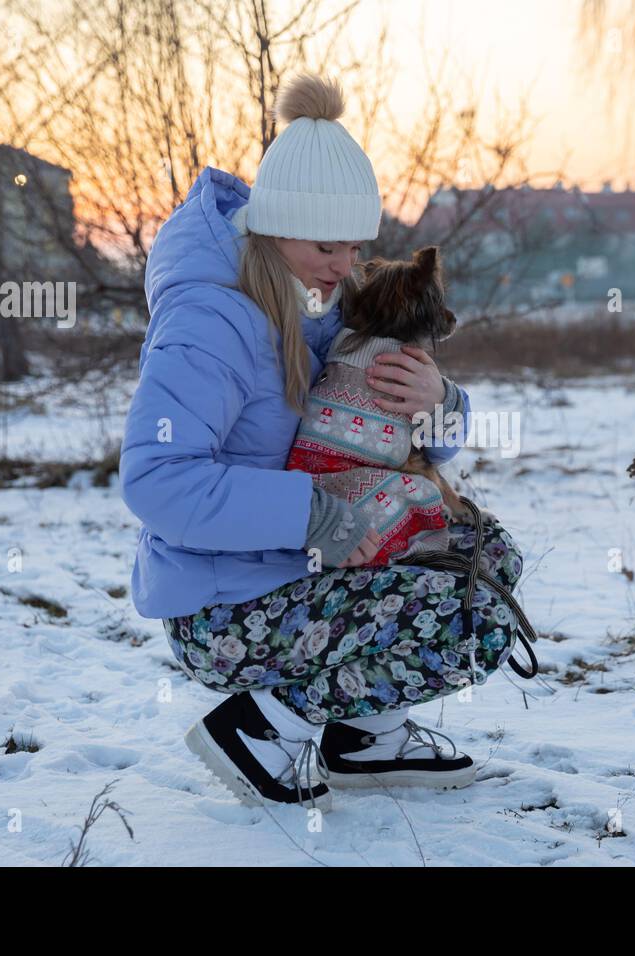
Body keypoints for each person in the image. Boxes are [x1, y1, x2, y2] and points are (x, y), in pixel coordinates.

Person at [118, 72, 526, 813]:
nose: (345, 266)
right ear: (274, 228)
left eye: (356, 246)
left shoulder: (321, 304)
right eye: (327, 245)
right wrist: (316, 514)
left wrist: (442, 404)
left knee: (486, 560)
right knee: (471, 616)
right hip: (227, 604)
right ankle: (265, 727)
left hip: (297, 569)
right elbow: (157, 482)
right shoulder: (209, 324)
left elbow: (396, 434)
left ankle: (366, 736)